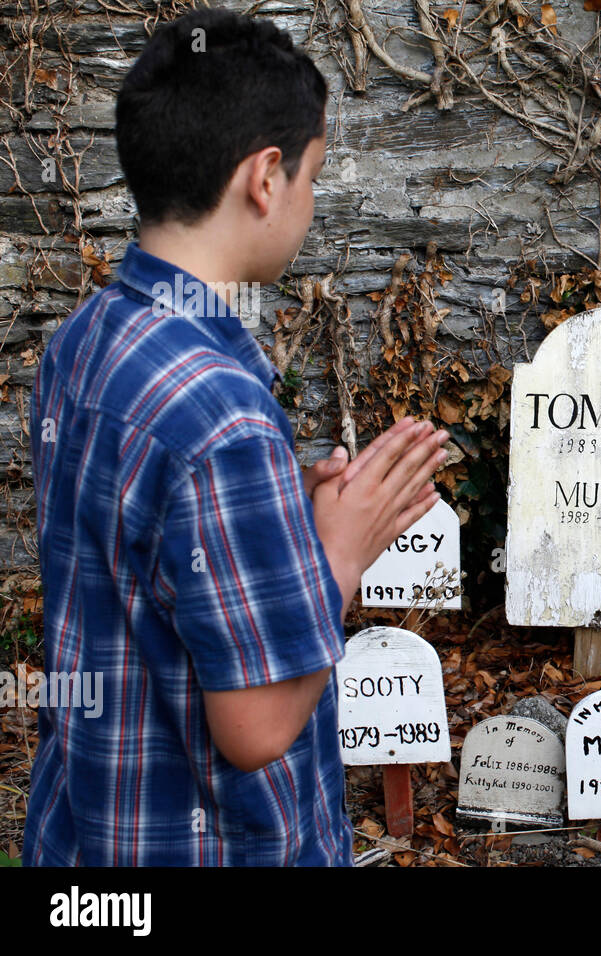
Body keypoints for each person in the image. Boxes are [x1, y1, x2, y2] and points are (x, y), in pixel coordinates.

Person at [22, 8, 450, 865]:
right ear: (265, 178)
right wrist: (338, 549)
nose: (311, 201)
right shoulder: (224, 413)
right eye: (313, 176)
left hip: (89, 832)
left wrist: (282, 511)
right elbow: (256, 728)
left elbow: (147, 550)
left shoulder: (88, 337)